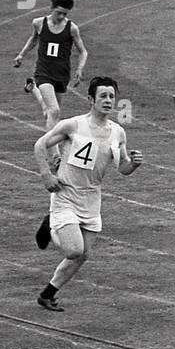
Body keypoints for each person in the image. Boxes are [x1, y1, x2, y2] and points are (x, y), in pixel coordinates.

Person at [32, 77, 142, 311]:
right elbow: (40, 145)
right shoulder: (73, 125)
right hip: (66, 195)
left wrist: (134, 164)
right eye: (103, 96)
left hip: (91, 200)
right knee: (74, 249)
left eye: (111, 96)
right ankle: (51, 225)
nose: (108, 100)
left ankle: (47, 294)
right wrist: (46, 175)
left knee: (83, 255)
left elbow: (122, 167)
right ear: (91, 99)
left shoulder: (118, 133)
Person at [13, 0, 88, 142]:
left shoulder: (71, 28)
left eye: (64, 14)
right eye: (58, 12)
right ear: (51, 8)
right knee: (54, 111)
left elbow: (83, 51)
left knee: (50, 114)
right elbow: (34, 39)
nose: (61, 16)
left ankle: (33, 88)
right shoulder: (39, 23)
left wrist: (79, 69)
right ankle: (52, 152)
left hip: (61, 74)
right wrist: (21, 55)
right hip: (43, 72)